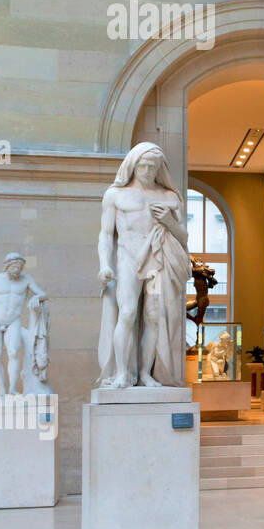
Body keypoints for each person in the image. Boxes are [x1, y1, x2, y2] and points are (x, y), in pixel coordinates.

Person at [96, 142, 192, 389]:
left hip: (156, 260)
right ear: (133, 164)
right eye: (143, 165)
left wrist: (169, 221)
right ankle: (121, 373)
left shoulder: (169, 197)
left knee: (153, 317)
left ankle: (145, 374)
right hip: (128, 259)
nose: (147, 171)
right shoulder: (116, 195)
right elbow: (106, 235)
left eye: (153, 166)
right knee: (127, 313)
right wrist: (104, 264)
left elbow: (183, 238)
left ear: (160, 168)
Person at [0, 252, 49, 395]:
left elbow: (43, 294)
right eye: (15, 267)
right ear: (7, 266)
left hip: (13, 320)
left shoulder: (26, 280)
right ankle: (2, 389)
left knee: (14, 352)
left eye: (20, 268)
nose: (17, 270)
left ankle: (12, 388)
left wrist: (38, 297)